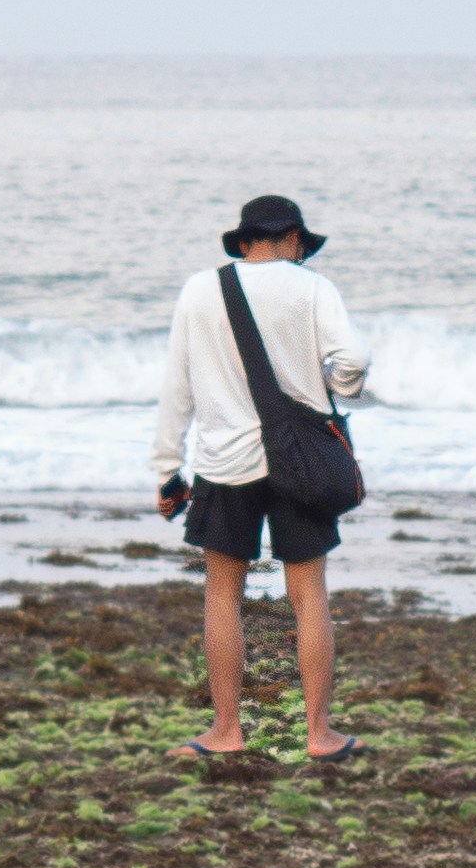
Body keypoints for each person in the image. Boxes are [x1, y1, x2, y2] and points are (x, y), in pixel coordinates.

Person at [149, 193, 369, 761]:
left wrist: (168, 468)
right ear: (294, 240)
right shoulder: (314, 288)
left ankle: (226, 731)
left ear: (245, 243)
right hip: (300, 462)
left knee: (223, 595)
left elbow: (177, 385)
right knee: (308, 594)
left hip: (224, 463)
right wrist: (334, 390)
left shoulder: (201, 289)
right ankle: (319, 736)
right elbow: (354, 359)